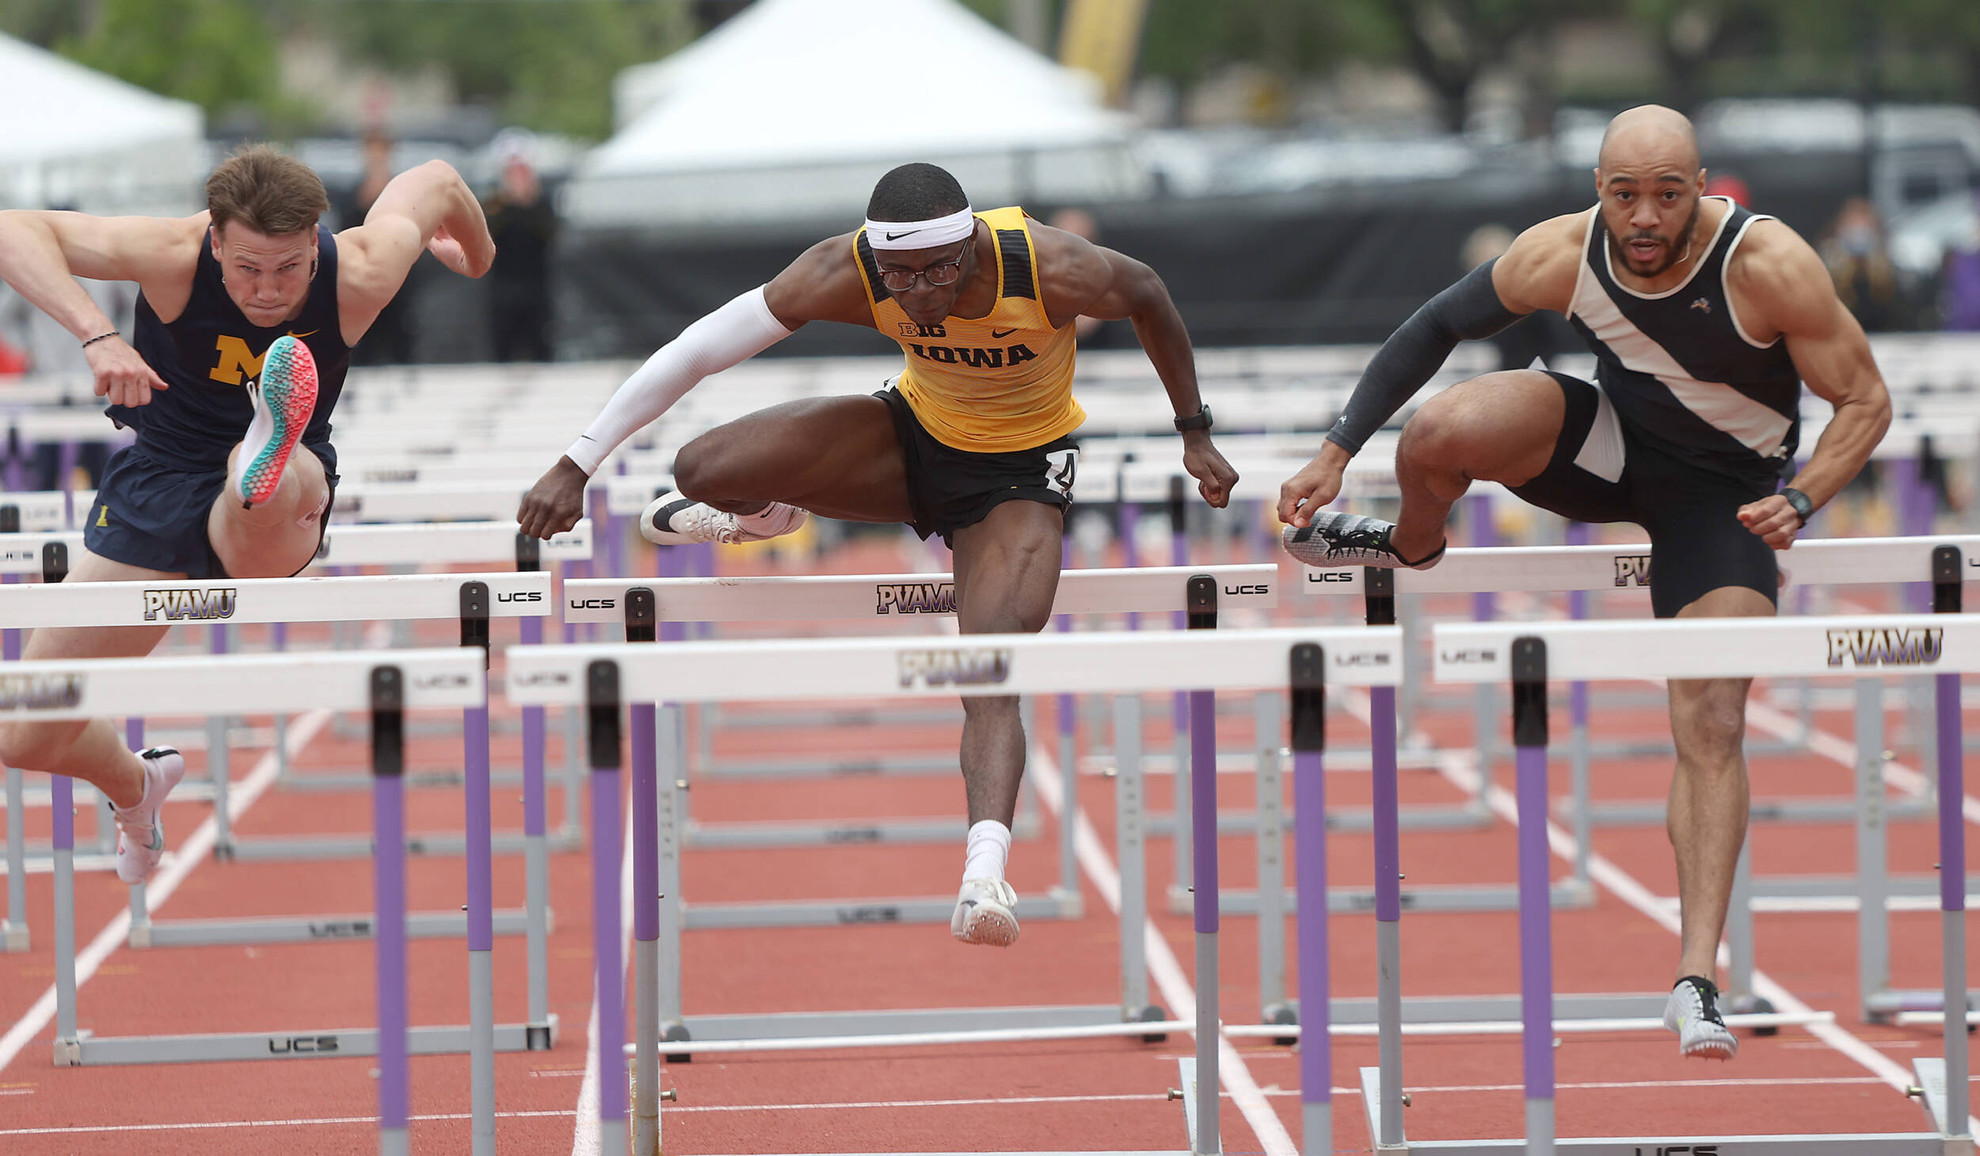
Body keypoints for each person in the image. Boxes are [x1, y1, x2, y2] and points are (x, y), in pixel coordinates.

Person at [1277, 105, 1891, 1060]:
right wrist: (1335, 451)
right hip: (1608, 445)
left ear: (1701, 191)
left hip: (1720, 500)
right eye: (1623, 195)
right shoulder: (1563, 251)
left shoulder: (1768, 266)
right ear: (1599, 192)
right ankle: (1408, 544)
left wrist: (1805, 499)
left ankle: (1695, 979)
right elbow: (1435, 324)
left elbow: (1864, 398)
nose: (1643, 217)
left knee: (1714, 717)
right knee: (1442, 433)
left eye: (1666, 195)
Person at [518, 162, 1237, 947]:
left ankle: (984, 872)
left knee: (991, 657)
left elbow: (1150, 295)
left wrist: (1192, 430)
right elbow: (697, 351)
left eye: (936, 273)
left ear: (968, 249)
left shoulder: (1048, 265)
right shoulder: (849, 270)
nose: (918, 294)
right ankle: (767, 516)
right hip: (911, 439)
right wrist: (577, 462)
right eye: (899, 277)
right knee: (703, 469)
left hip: (1017, 476)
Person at [0, 144, 495, 885]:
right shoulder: (170, 255)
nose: (268, 291)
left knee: (261, 493)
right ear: (215, 243)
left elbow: (438, 181)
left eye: (289, 269)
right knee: (22, 729)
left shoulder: (358, 269)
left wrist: (479, 256)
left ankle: (264, 441)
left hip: (282, 495)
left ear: (315, 252)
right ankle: (136, 785)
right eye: (247, 269)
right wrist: (96, 334)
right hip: (159, 482)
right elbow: (13, 227)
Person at [483, 131, 558, 362]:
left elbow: (550, 234)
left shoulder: (542, 203)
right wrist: (510, 201)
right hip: (503, 289)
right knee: (502, 347)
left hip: (536, 287)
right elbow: (489, 233)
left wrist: (528, 201)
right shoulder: (495, 203)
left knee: (540, 346)